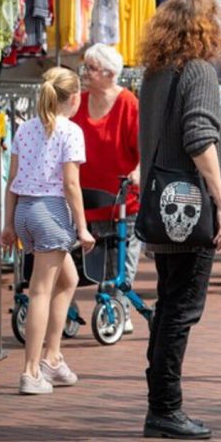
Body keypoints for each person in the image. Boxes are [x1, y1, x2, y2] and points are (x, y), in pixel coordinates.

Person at [137, 0, 221, 439]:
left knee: (169, 306)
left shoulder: (155, 73)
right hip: (191, 210)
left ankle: (160, 404)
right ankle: (165, 408)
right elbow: (199, 137)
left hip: (162, 207)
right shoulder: (197, 71)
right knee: (181, 310)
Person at [1, 67, 95, 395]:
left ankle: (52, 359)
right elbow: (71, 184)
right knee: (40, 291)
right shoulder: (71, 131)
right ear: (74, 98)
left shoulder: (25, 129)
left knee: (68, 280)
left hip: (26, 211)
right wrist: (82, 227)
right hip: (50, 212)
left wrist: (9, 223)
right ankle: (31, 371)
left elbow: (12, 181)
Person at [71, 45, 141, 334]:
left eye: (91, 68)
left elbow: (144, 149)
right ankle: (71, 309)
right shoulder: (78, 101)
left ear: (111, 74)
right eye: (85, 67)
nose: (85, 73)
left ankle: (119, 310)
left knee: (120, 263)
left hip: (121, 200)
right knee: (85, 262)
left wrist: (138, 172)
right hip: (84, 199)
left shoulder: (128, 104)